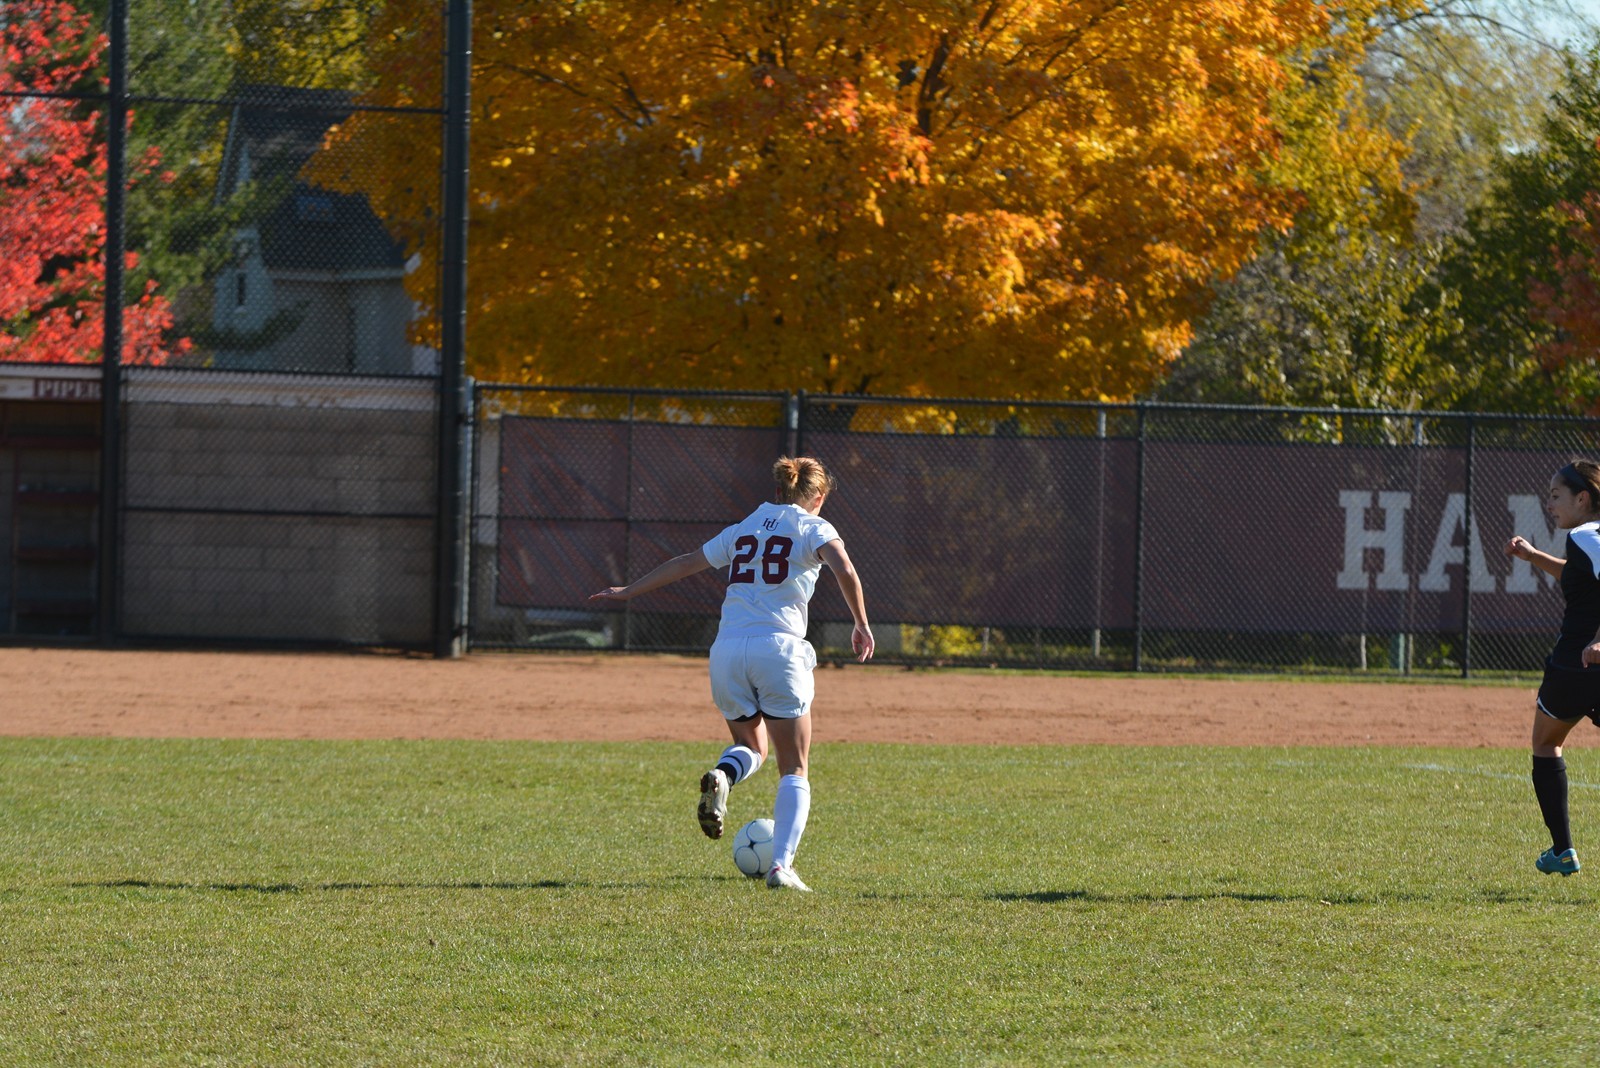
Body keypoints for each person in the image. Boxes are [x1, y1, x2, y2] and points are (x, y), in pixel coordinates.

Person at [588, 456, 873, 891]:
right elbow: (845, 568)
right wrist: (861, 623)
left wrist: (629, 590)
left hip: (726, 651)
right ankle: (781, 866)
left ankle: (723, 775)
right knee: (794, 768)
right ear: (817, 497)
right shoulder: (813, 526)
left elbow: (686, 561)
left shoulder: (746, 528)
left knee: (750, 745)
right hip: (778, 650)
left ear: (779, 490)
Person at [1505, 458, 1600, 877]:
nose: (1550, 504)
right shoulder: (1588, 540)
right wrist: (1533, 555)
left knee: (1545, 742)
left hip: (1577, 663)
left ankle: (1563, 850)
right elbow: (1579, 577)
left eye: (1556, 495)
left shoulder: (1584, 536)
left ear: (1583, 498)